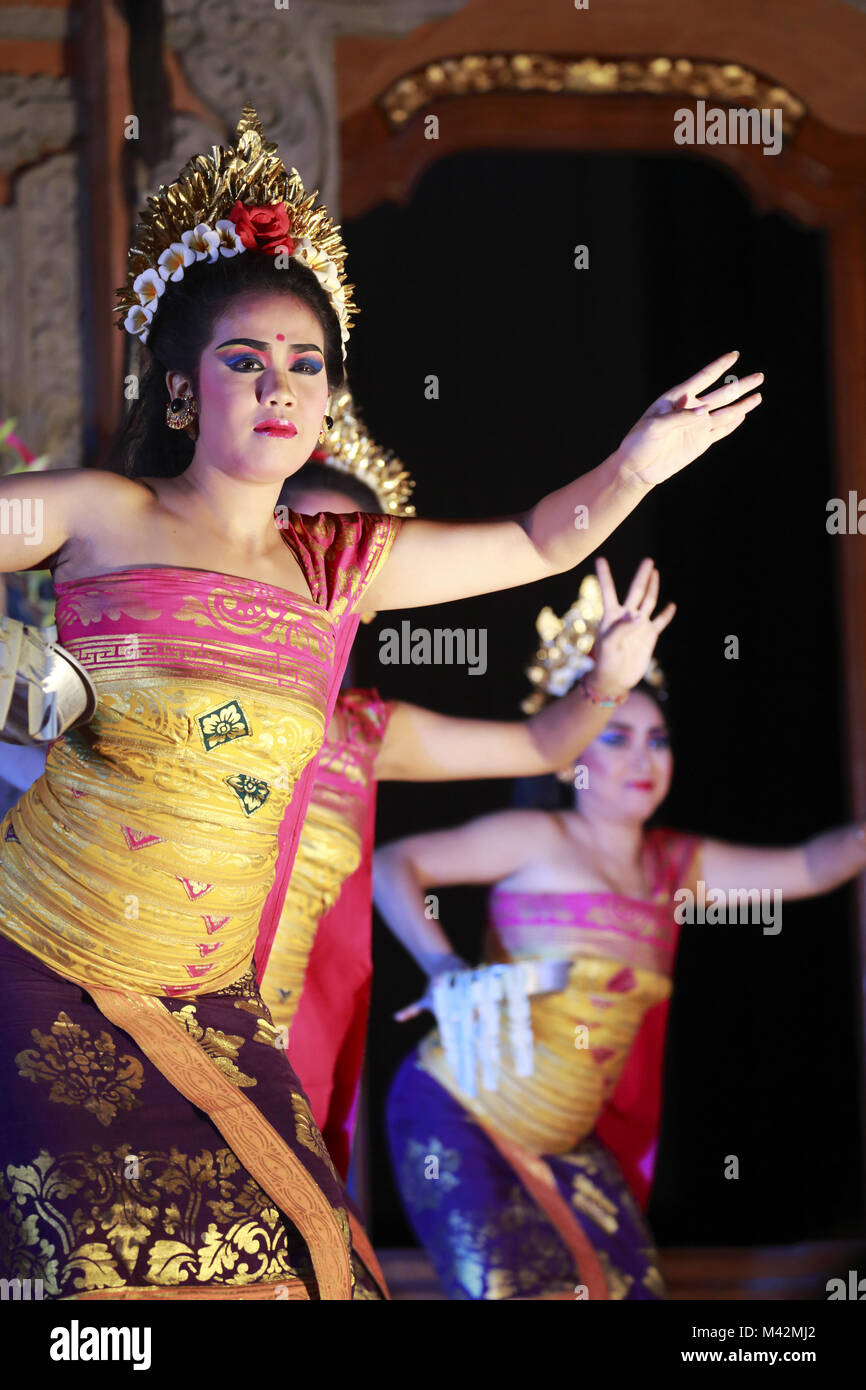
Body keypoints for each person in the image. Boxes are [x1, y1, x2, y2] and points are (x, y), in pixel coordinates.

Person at [0, 105, 762, 1301]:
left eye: (305, 365)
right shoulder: (105, 513)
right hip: (46, 954)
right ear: (185, 391)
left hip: (212, 997)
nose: (279, 386)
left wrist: (637, 464)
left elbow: (528, 539)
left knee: (308, 1270)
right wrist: (17, 672)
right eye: (244, 361)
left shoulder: (336, 563)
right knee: (102, 1284)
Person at [374, 577, 866, 1301]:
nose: (645, 758)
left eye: (658, 740)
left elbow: (810, 866)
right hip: (461, 1112)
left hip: (568, 1136)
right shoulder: (534, 837)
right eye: (618, 737)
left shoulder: (673, 867)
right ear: (574, 751)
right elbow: (395, 864)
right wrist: (443, 965)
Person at [264, 391, 676, 1182]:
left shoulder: (368, 734)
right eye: (289, 541)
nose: (312, 566)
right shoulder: (167, 683)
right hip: (149, 1013)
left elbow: (541, 744)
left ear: (374, 592)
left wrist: (610, 682)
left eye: (338, 552)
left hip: (287, 1042)